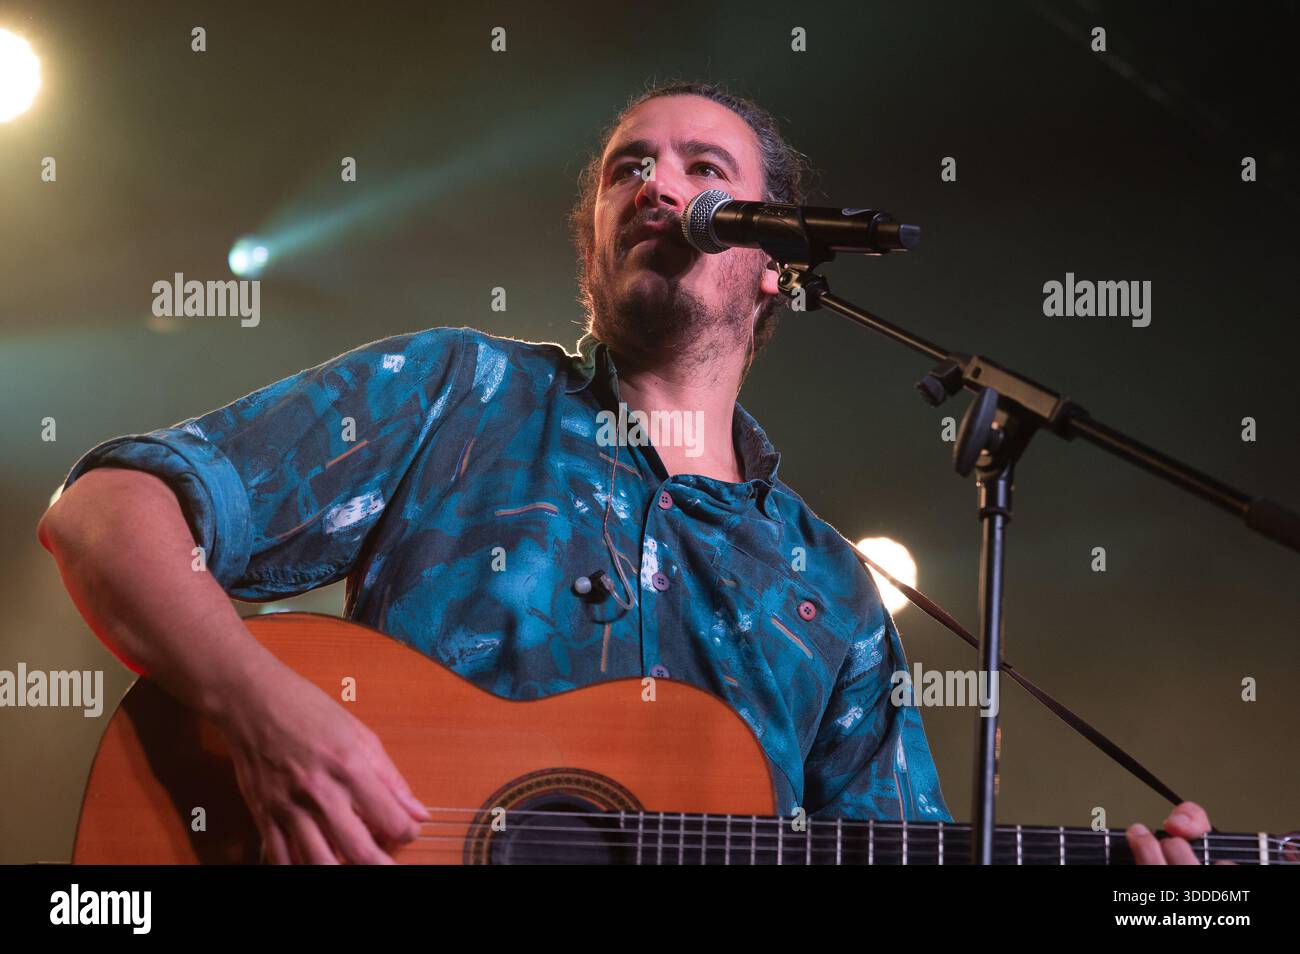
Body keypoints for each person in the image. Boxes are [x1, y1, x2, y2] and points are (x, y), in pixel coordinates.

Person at [37, 81, 1214, 865]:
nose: (659, 184)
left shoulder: (833, 591)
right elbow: (104, 515)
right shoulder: (461, 394)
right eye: (625, 169)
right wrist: (265, 709)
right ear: (594, 243)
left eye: (704, 165)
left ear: (771, 265)